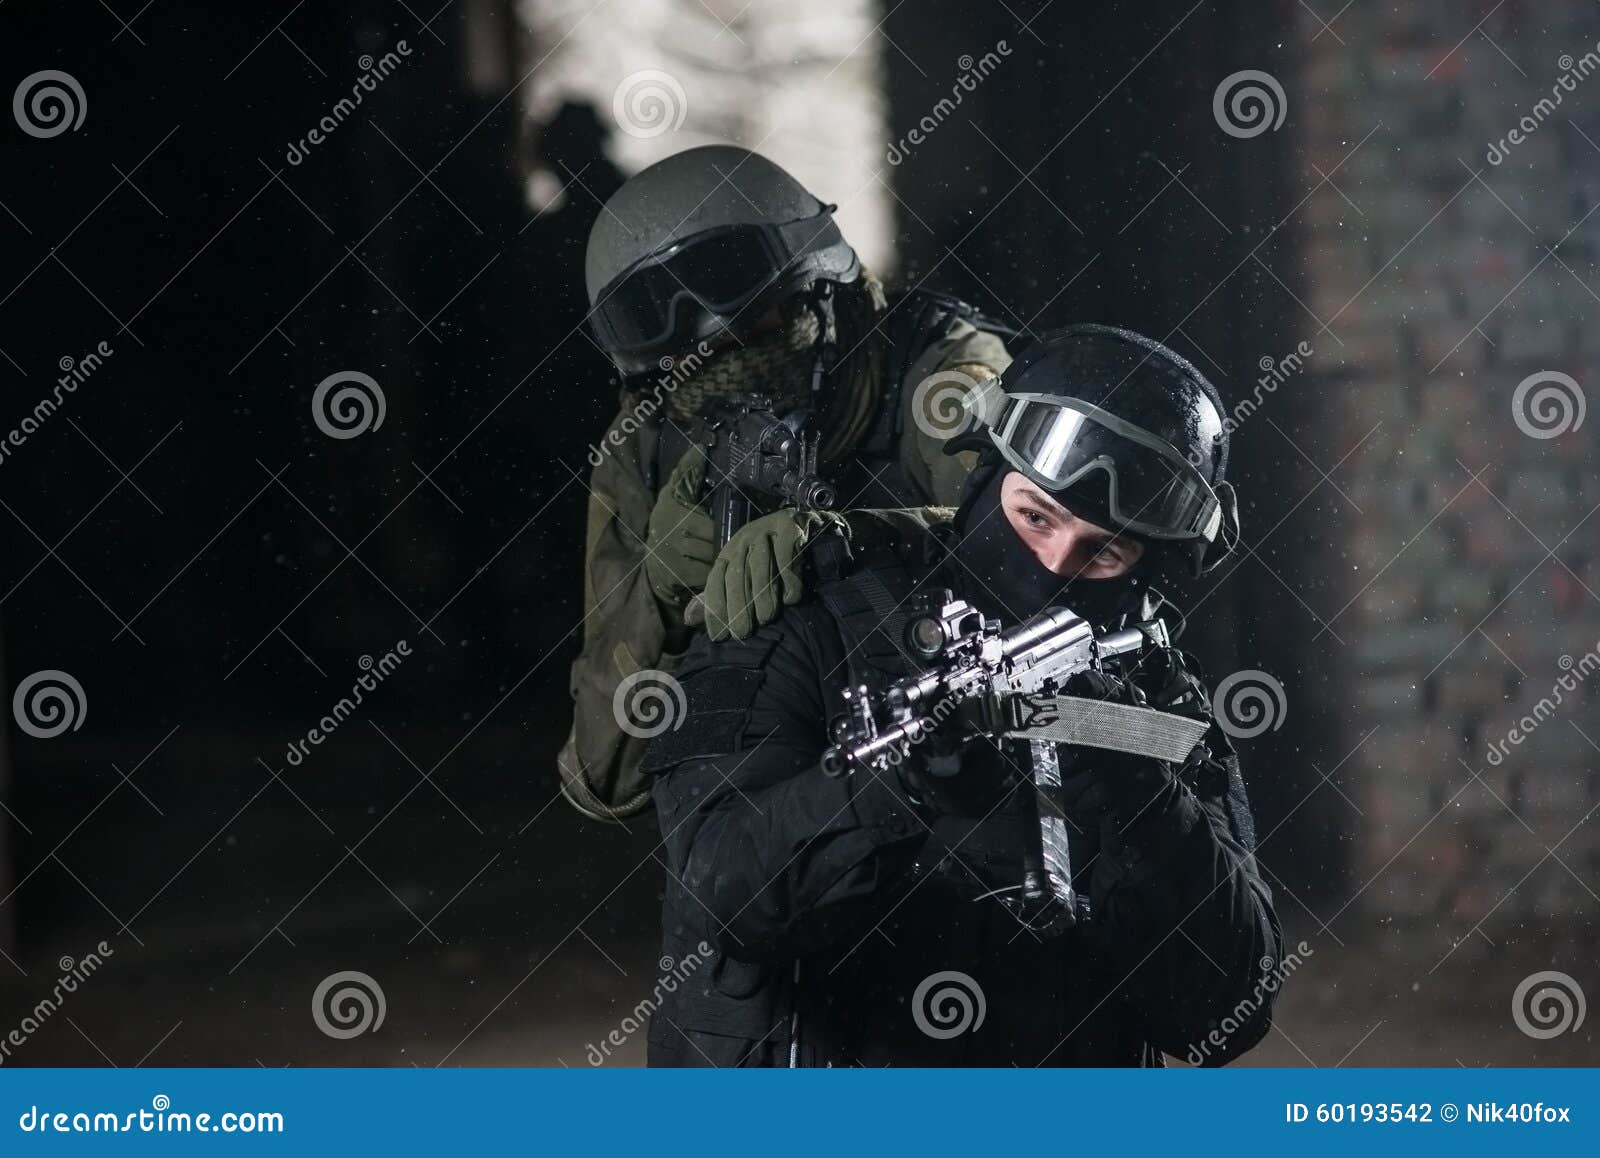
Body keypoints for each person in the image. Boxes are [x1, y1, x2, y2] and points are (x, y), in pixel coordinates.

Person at [643, 324, 1281, 1067]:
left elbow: (1226, 1015)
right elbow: (723, 896)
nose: (1050, 565)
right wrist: (891, 792)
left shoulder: (1153, 698)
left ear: (1146, 571)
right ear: (981, 484)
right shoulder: (802, 611)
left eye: (1102, 551)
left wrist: (1133, 789)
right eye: (1033, 517)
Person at [559, 144, 1011, 821]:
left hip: (953, 790)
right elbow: (607, 781)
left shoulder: (938, 375)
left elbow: (1041, 575)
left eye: (750, 324)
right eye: (689, 357)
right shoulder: (646, 445)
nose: (721, 363)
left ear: (818, 287)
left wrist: (853, 545)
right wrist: (653, 592)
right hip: (772, 833)